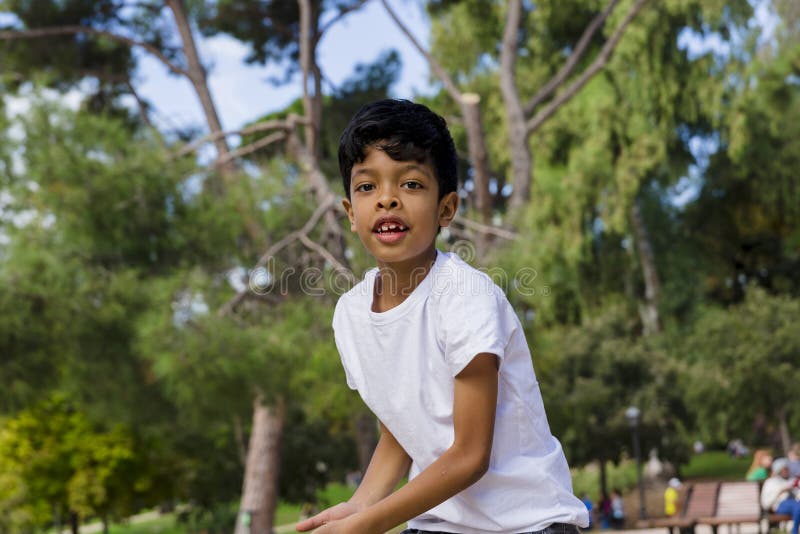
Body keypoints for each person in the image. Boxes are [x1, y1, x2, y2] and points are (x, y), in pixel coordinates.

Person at [295, 99, 590, 534]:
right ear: (350, 215)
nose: (387, 199)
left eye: (411, 185)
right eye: (367, 187)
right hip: (441, 524)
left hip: (529, 524)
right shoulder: (350, 315)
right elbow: (399, 431)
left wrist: (368, 525)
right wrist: (359, 505)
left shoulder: (464, 296)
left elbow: (471, 455)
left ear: (446, 209)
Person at [760, 458, 800, 534]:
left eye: (787, 468)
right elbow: (765, 504)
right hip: (779, 506)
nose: (787, 471)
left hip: (795, 506)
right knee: (797, 506)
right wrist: (780, 492)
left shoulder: (793, 481)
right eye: (784, 469)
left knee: (797, 506)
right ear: (778, 470)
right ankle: (794, 531)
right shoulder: (770, 483)